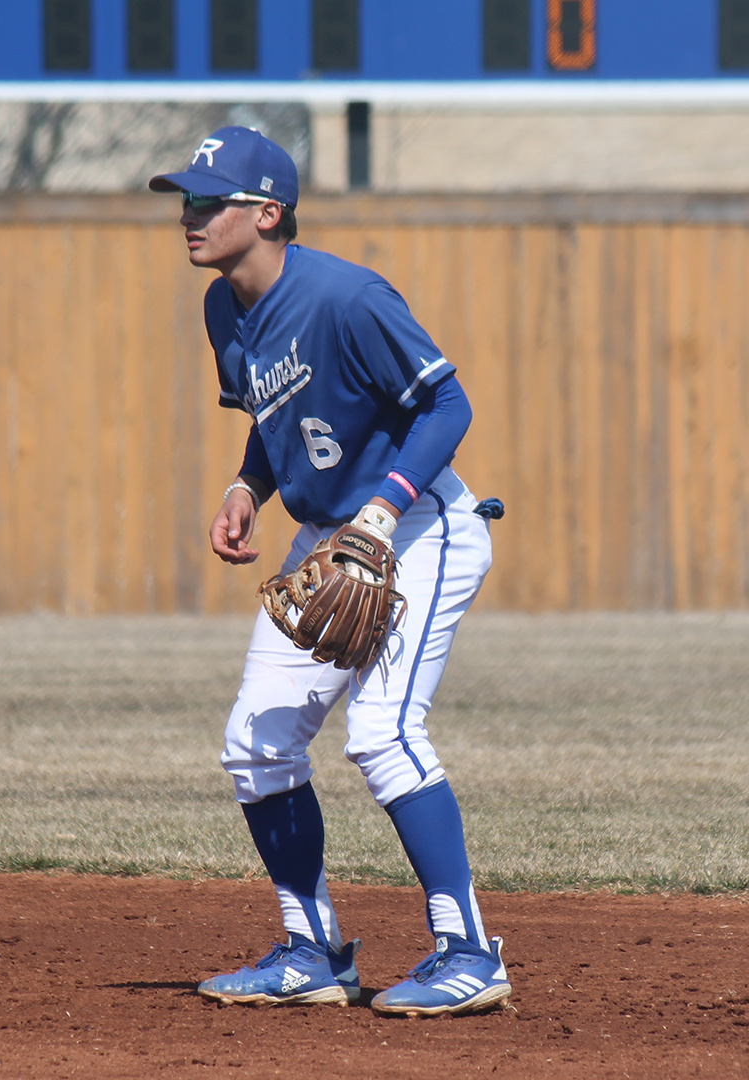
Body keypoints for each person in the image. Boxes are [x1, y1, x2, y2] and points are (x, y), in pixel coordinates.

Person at [148, 127, 508, 1017]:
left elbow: (446, 403)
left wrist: (382, 510)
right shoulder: (223, 312)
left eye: (208, 202)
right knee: (256, 744)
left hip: (420, 524)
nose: (188, 218)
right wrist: (246, 486)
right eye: (185, 201)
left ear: (268, 212)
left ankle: (470, 951)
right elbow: (275, 419)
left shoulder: (347, 296)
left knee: (382, 733)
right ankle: (313, 951)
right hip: (325, 538)